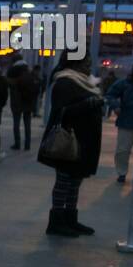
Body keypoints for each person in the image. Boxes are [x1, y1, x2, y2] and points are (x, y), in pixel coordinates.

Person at [37, 51, 103, 237]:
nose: (89, 64)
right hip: (68, 141)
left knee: (75, 181)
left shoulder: (86, 81)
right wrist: (90, 103)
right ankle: (56, 222)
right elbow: (61, 112)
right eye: (87, 60)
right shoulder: (65, 82)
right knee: (64, 180)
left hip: (84, 141)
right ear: (75, 62)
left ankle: (70, 218)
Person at [6, 56, 40, 150]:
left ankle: (17, 144)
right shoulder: (29, 70)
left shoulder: (12, 71)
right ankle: (27, 145)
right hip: (28, 102)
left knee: (16, 123)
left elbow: (8, 84)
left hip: (16, 101)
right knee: (27, 124)